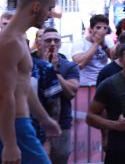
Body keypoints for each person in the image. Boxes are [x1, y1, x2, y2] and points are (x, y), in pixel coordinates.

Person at [0, 0, 61, 163]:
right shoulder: (9, 42)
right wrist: (10, 143)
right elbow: (4, 95)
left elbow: (23, 86)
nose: (49, 14)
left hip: (19, 125)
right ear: (35, 6)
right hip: (14, 127)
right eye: (49, 8)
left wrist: (45, 119)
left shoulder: (19, 39)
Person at [38, 28, 80, 164]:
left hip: (61, 124)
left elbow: (71, 93)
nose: (52, 43)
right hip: (34, 122)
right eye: (48, 40)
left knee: (60, 160)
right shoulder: (30, 61)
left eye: (56, 40)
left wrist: (53, 70)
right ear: (39, 42)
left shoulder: (70, 66)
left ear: (60, 43)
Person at [72, 13, 115, 86]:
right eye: (98, 27)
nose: (102, 30)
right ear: (90, 29)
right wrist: (96, 43)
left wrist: (104, 45)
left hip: (104, 82)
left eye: (105, 28)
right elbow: (81, 65)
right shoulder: (80, 43)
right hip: (86, 84)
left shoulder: (107, 39)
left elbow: (115, 57)